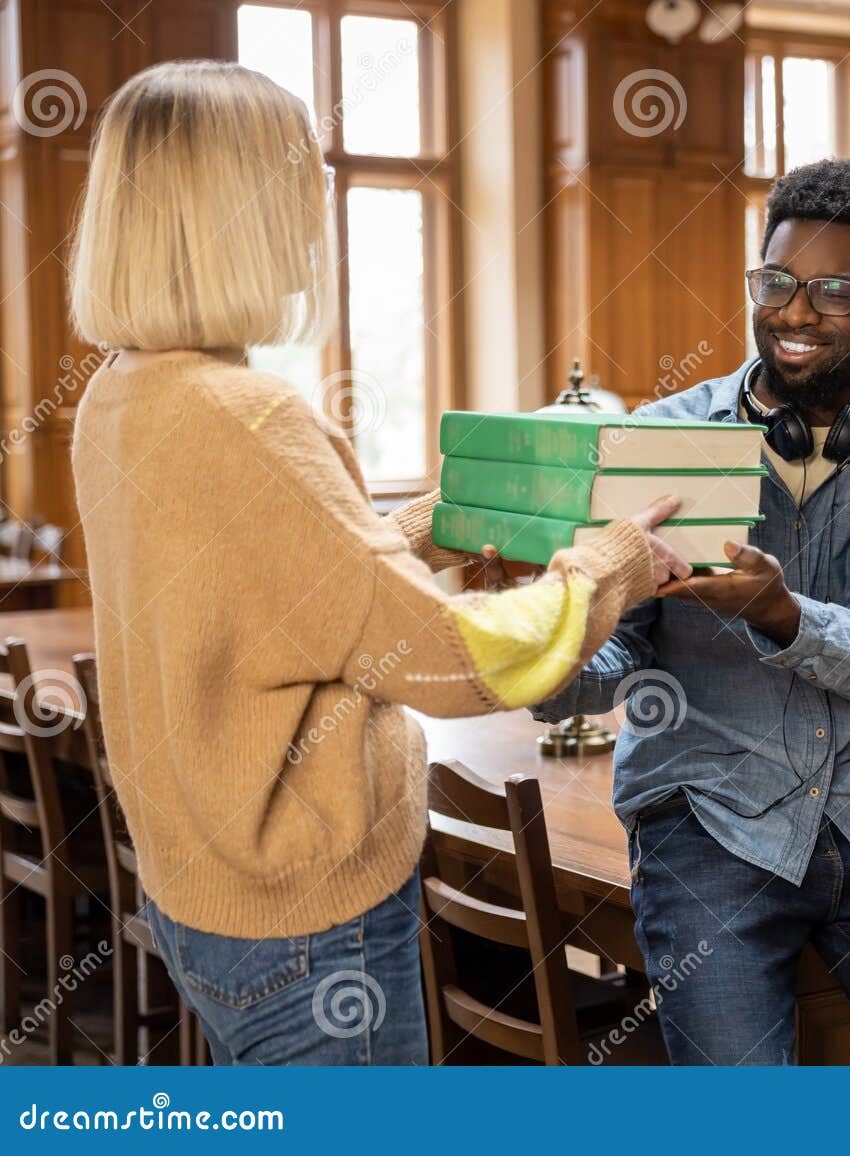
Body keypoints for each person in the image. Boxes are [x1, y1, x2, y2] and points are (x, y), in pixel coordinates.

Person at [67, 61, 690, 1065]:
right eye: (300, 181)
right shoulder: (250, 417)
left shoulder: (122, 393)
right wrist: (611, 563)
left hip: (202, 902)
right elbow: (451, 661)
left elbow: (290, 588)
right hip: (311, 928)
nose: (316, 210)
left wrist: (449, 519)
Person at [532, 158, 850, 1065]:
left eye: (834, 292)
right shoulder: (664, 439)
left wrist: (780, 613)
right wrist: (537, 627)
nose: (795, 312)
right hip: (707, 825)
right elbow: (609, 668)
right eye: (776, 283)